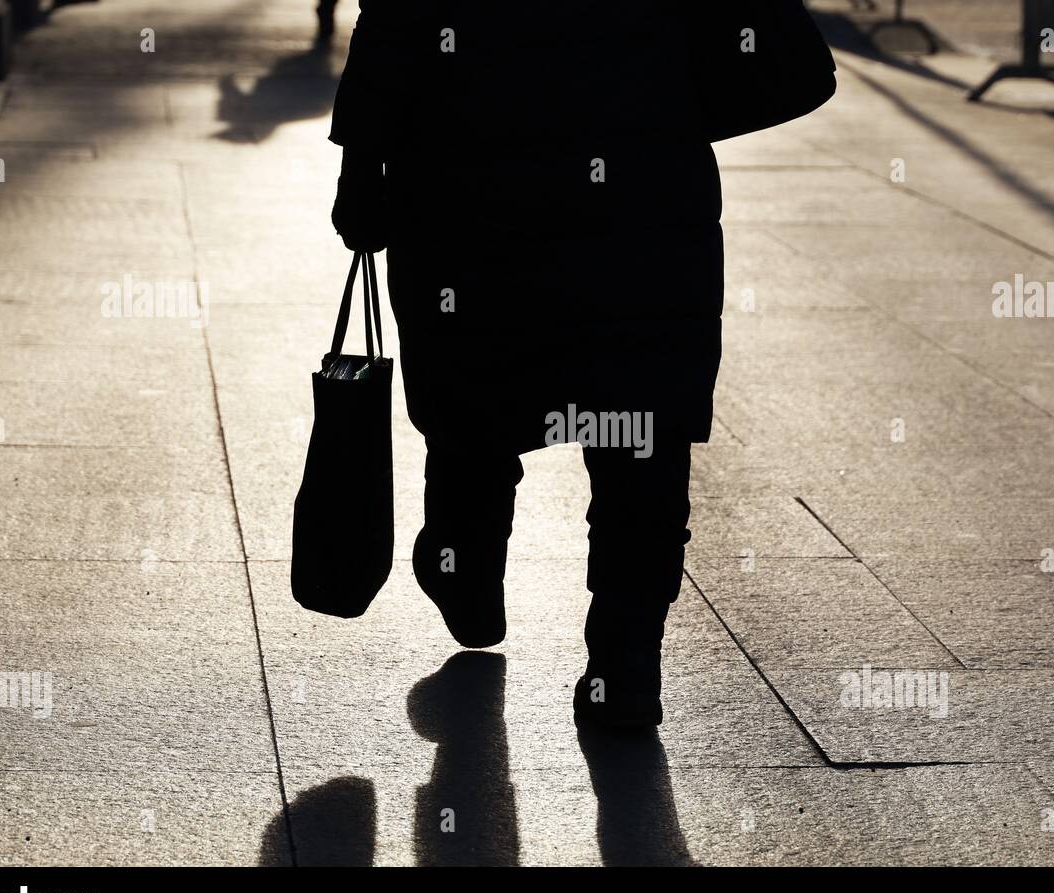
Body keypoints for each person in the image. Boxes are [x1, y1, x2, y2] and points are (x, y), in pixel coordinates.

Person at [327, 1, 833, 728]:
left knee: (478, 395)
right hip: (641, 188)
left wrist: (361, 166)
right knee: (640, 432)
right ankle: (626, 662)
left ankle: (464, 561)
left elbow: (397, 21)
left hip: (467, 180)